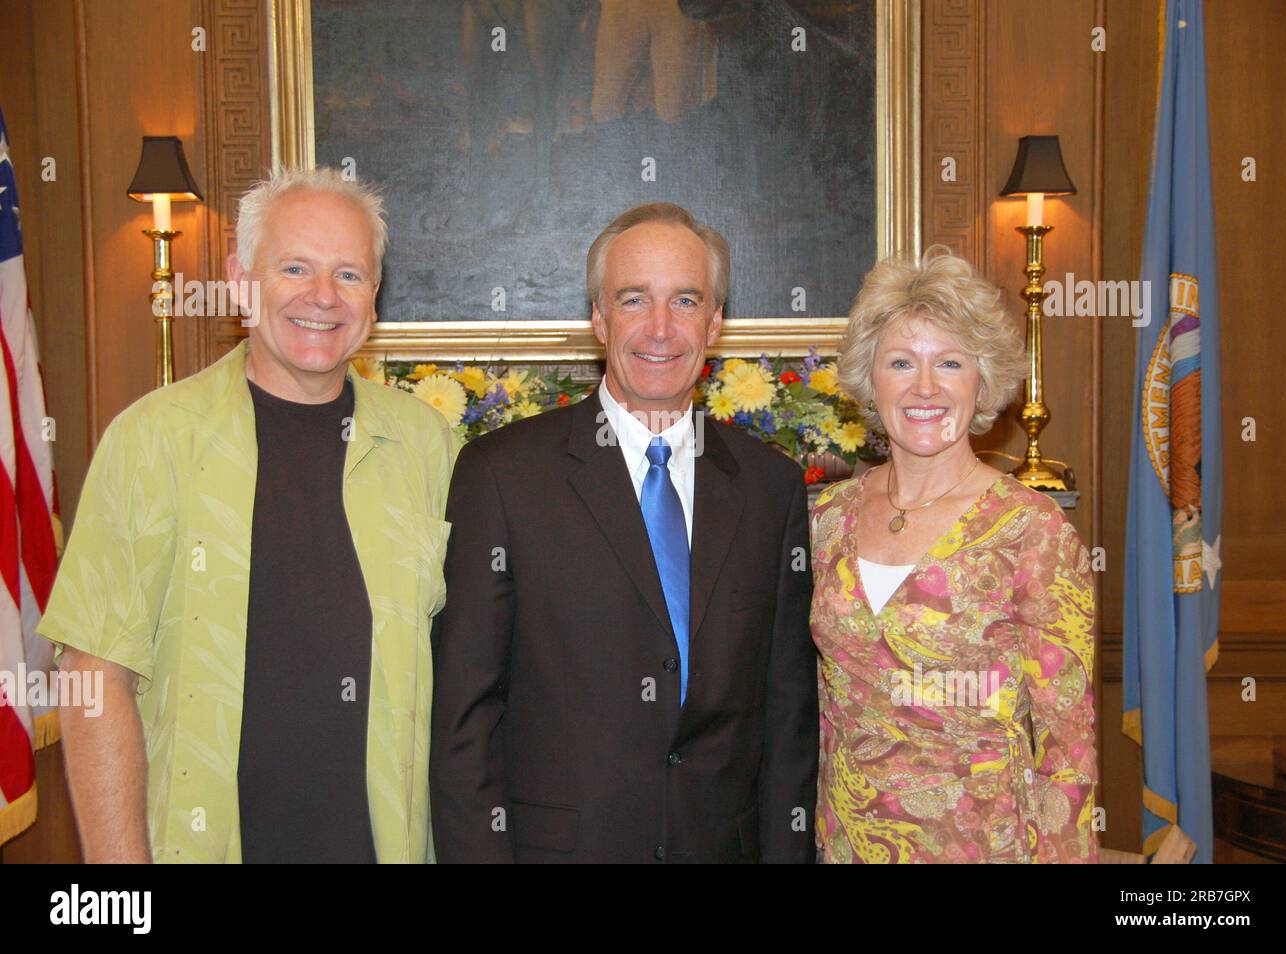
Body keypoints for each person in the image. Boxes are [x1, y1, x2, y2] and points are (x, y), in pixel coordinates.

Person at [40, 168, 460, 863]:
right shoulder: (152, 440)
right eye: (294, 267)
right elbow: (95, 677)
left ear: (374, 297)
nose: (322, 297)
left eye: (349, 275)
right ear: (241, 283)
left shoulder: (428, 445)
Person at [431, 202, 817, 863]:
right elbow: (466, 721)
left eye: (686, 300)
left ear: (715, 322)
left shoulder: (770, 489)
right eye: (634, 299)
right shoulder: (503, 477)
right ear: (599, 318)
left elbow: (787, 723)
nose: (661, 328)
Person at [811, 247, 1097, 863]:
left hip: (985, 847)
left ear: (983, 379)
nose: (924, 388)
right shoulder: (823, 520)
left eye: (949, 363)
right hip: (846, 844)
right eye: (900, 362)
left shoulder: (1031, 529)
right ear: (870, 379)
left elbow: (1067, 744)